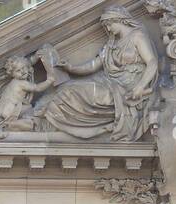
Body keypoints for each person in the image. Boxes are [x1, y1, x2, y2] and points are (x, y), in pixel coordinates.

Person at [36, 8, 159, 142]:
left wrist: (140, 87)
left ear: (119, 19)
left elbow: (152, 62)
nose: (108, 29)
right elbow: (93, 65)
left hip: (127, 87)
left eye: (109, 24)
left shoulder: (137, 36)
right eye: (106, 25)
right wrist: (70, 67)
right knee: (68, 88)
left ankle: (53, 120)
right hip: (110, 83)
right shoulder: (111, 44)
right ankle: (52, 119)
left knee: (73, 91)